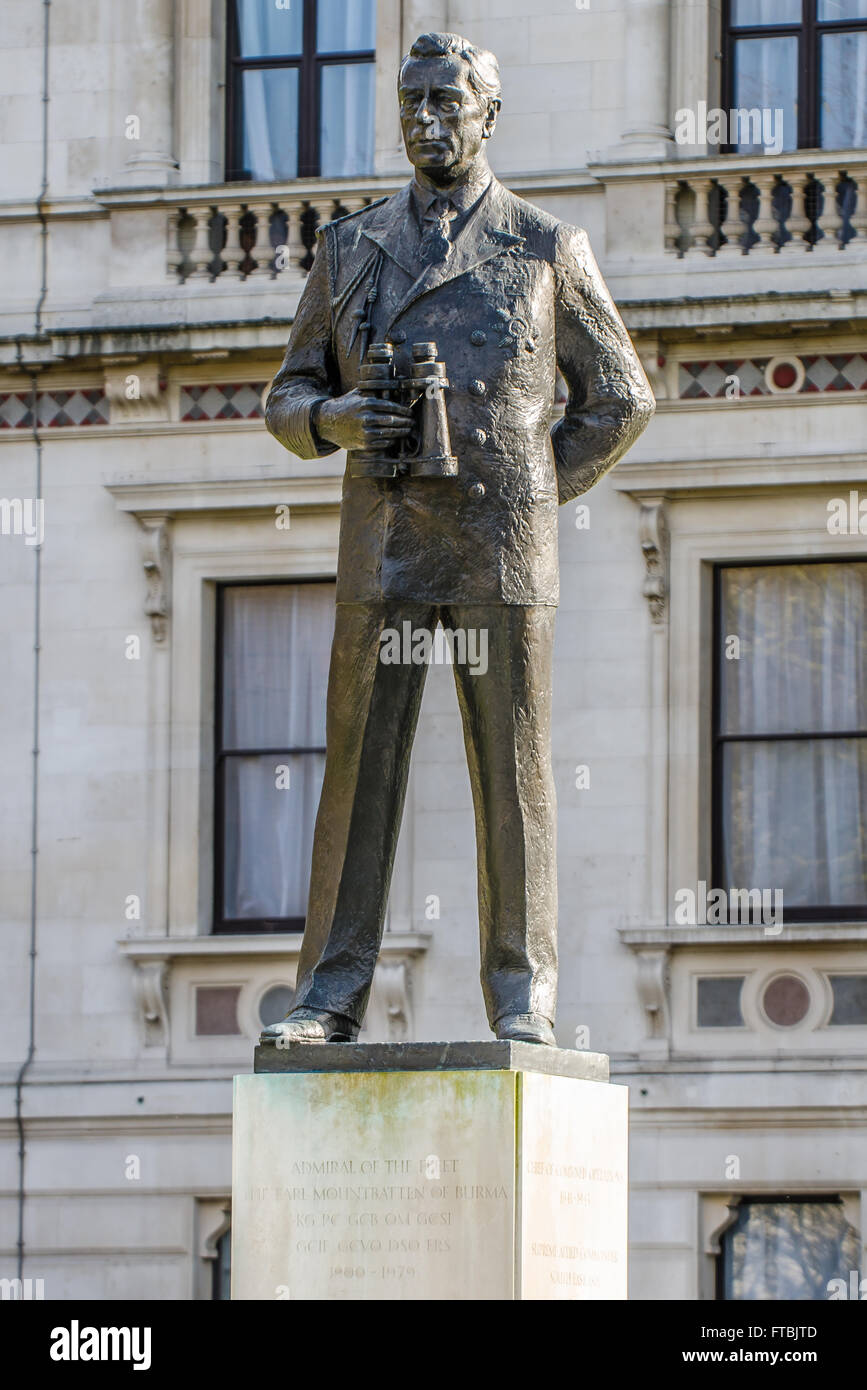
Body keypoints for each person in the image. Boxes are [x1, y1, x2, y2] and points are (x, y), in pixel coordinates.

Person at [262, 32, 655, 1047]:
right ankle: (328, 993)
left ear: (487, 114)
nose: (427, 122)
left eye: (446, 102)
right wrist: (333, 420)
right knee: (357, 774)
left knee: (514, 775)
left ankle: (525, 995)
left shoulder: (545, 246)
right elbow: (286, 393)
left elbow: (620, 399)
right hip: (386, 539)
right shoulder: (350, 247)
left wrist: (526, 490)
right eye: (411, 105)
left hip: (500, 546)